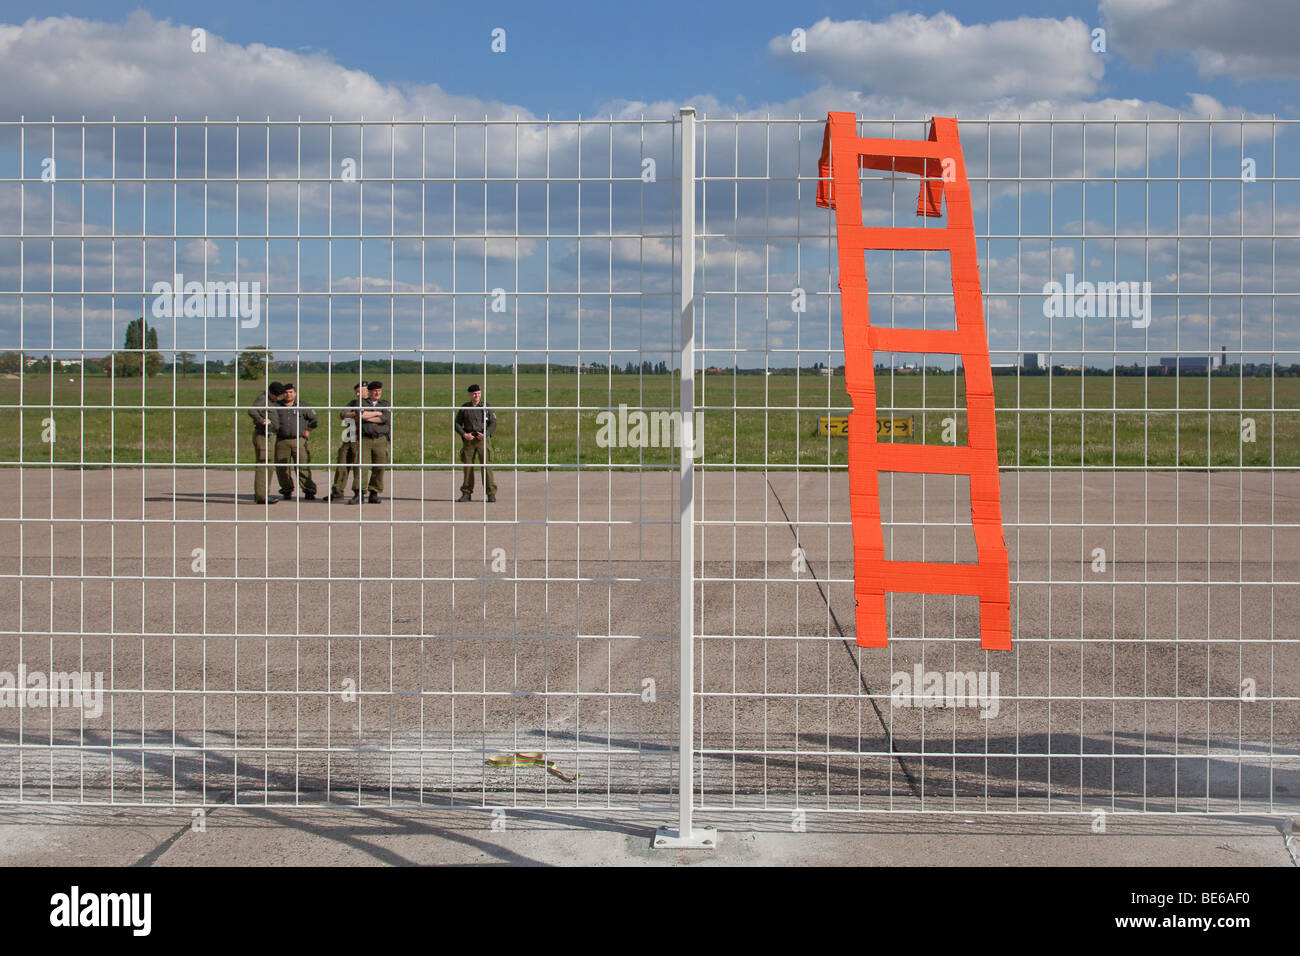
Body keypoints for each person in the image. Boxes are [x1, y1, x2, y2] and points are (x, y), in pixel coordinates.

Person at [273, 383, 318, 500]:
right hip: (281, 441)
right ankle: (286, 490)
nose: (288, 395)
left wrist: (308, 430)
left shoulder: (302, 406)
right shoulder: (276, 406)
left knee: (302, 466)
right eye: (286, 392)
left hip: (298, 440)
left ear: (295, 393)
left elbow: (314, 419)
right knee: (282, 468)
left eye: (291, 392)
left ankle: (309, 490)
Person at [455, 383, 498, 502]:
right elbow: (457, 423)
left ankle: (491, 493)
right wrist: (464, 434)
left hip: (483, 439)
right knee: (468, 467)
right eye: (474, 394)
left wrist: (486, 434)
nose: (476, 396)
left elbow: (493, 423)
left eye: (478, 393)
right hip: (469, 440)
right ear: (469, 394)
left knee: (487, 466)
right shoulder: (465, 407)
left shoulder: (486, 407)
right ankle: (466, 493)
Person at [248, 381, 286, 504]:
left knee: (269, 464)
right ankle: (261, 496)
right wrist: (261, 420)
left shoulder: (271, 401)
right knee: (264, 463)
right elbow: (252, 410)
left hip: (271, 435)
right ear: (271, 393)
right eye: (277, 395)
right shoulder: (263, 399)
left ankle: (264, 493)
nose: (278, 398)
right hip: (263, 435)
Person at [353, 379, 391, 504]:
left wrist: (367, 416)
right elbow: (359, 416)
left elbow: (384, 418)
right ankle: (359, 493)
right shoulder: (361, 403)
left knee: (379, 466)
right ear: (369, 391)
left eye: (379, 391)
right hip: (365, 438)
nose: (377, 393)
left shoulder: (385, 404)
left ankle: (374, 492)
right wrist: (376, 413)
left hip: (380, 438)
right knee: (361, 466)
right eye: (375, 391)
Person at [329, 382, 367, 502]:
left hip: (362, 437)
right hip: (349, 436)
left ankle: (358, 491)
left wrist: (357, 415)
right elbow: (342, 414)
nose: (358, 393)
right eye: (356, 391)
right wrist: (356, 414)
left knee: (358, 464)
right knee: (342, 462)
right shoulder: (353, 403)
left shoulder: (370, 404)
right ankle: (337, 490)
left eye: (361, 391)